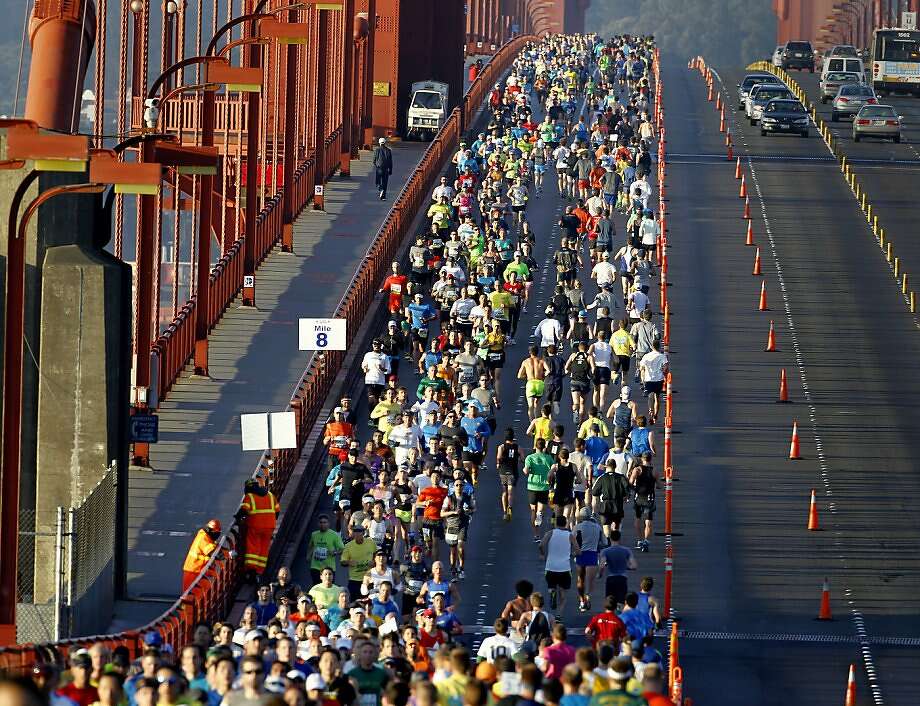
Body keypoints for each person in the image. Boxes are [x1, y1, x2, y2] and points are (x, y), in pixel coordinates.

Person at [238, 480, 280, 581]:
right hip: (270, 527)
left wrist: (237, 517)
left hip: (255, 526)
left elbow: (243, 511)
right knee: (264, 548)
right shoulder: (270, 495)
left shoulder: (249, 496)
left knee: (253, 547)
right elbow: (277, 511)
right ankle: (260, 571)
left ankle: (251, 570)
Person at [539, 515, 580, 616]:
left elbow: (541, 545)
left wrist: (543, 554)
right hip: (564, 569)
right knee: (563, 595)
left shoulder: (550, 533)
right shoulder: (570, 535)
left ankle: (552, 592)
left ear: (556, 523)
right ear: (565, 524)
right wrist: (573, 554)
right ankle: (558, 615)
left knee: (551, 586)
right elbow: (578, 551)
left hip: (550, 567)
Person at [597, 530, 638, 608]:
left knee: (610, 602)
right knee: (621, 602)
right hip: (622, 579)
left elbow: (601, 565)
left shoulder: (605, 551)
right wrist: (626, 567)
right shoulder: (627, 550)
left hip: (611, 579)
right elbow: (634, 566)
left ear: (610, 539)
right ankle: (620, 614)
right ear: (620, 538)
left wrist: (599, 574)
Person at [523, 438, 553, 542]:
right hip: (544, 486)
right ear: (544, 447)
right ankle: (539, 514)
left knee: (533, 510)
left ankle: (536, 534)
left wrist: (525, 470)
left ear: (535, 446)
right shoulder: (548, 458)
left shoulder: (530, 457)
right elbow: (553, 469)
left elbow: (526, 471)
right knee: (540, 510)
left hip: (533, 486)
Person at [182, 519, 222, 592]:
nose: (217, 535)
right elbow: (212, 552)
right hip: (193, 570)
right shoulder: (203, 538)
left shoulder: (207, 536)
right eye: (216, 532)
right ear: (211, 531)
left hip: (197, 569)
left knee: (198, 592)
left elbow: (215, 548)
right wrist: (224, 555)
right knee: (190, 593)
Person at [341, 525, 377, 599]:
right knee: (354, 603)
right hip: (354, 580)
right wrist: (348, 562)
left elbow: (376, 555)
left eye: (359, 531)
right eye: (355, 531)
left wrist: (374, 562)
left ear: (363, 533)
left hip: (369, 579)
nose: (357, 533)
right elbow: (342, 562)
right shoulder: (348, 546)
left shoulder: (371, 543)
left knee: (369, 602)